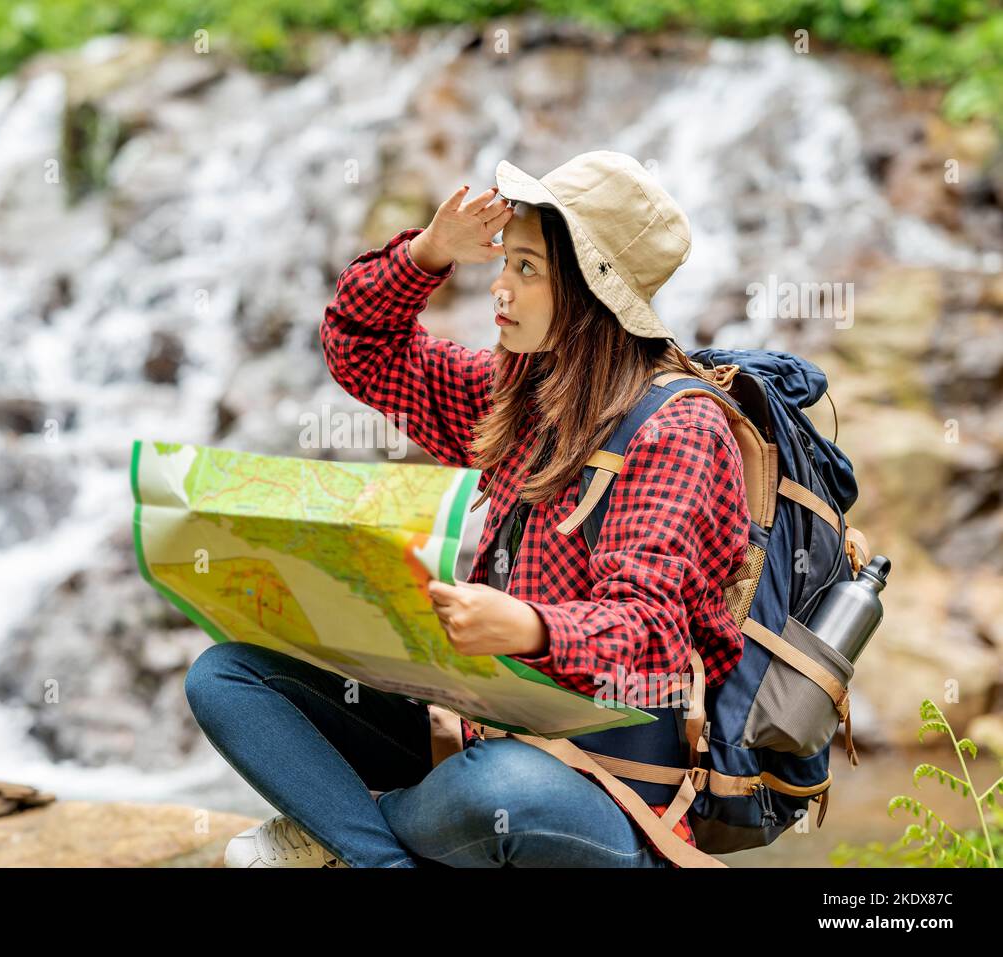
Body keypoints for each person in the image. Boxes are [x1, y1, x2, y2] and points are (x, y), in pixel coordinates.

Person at [184, 151, 751, 867]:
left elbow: (647, 635)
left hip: (609, 794)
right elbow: (361, 351)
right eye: (504, 263)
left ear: (590, 293)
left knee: (495, 792)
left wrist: (529, 625)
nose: (500, 290)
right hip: (486, 732)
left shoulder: (678, 429)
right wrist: (426, 255)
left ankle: (345, 832)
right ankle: (384, 857)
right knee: (228, 676)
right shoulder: (517, 395)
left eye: (528, 269)